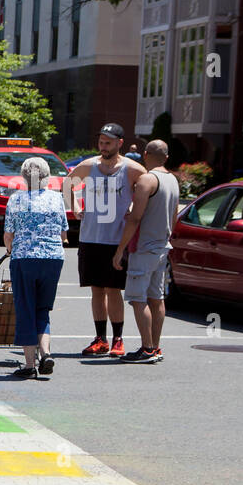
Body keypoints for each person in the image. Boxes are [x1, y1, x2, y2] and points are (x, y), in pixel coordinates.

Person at [61, 122, 145, 358]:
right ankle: (100, 339)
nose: (103, 146)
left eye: (108, 142)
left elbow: (148, 188)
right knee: (96, 290)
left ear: (120, 143)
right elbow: (67, 183)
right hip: (90, 238)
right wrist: (75, 206)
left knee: (113, 289)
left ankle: (118, 339)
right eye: (101, 142)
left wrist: (135, 208)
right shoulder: (89, 166)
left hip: (116, 240)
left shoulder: (132, 169)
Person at [112, 139, 180, 363]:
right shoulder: (173, 180)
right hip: (162, 246)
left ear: (145, 155)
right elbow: (174, 217)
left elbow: (135, 218)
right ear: (166, 157)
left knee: (137, 299)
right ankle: (155, 347)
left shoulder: (146, 180)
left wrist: (120, 249)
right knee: (156, 298)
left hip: (144, 247)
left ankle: (147, 348)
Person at [3, 156, 69, 378]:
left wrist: (9, 249)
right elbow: (63, 232)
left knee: (25, 308)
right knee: (43, 308)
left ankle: (30, 365)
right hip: (53, 258)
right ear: (46, 176)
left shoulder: (15, 200)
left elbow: (8, 235)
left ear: (23, 176)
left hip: (24, 258)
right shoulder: (56, 199)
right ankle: (46, 352)